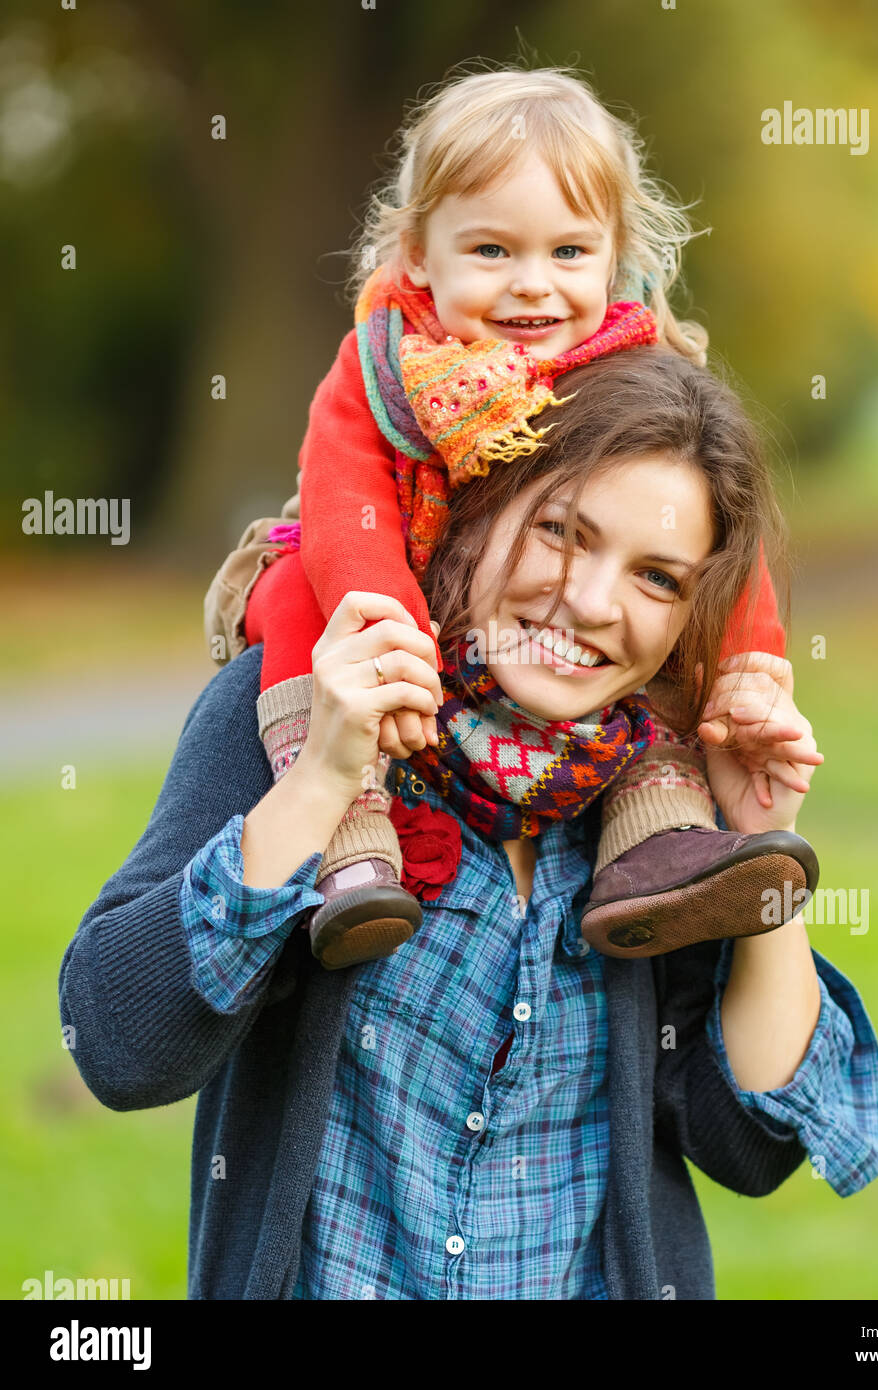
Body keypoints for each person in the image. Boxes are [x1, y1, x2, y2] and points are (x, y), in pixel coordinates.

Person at [61, 347, 878, 1300]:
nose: (588, 602)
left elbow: (746, 1146)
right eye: (561, 531)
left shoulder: (664, 811)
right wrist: (322, 779)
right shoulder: (297, 709)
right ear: (475, 511)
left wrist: (761, 859)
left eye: (657, 578)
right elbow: (118, 1048)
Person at [204, 63, 818, 969]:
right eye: (493, 252)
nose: (534, 287)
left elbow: (715, 536)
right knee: (297, 588)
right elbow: (347, 505)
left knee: (647, 627)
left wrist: (751, 666)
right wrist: (391, 638)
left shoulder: (628, 373)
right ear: (418, 253)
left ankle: (659, 837)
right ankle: (349, 824)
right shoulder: (387, 365)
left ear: (614, 257)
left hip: (521, 631)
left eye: (568, 253)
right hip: (375, 577)